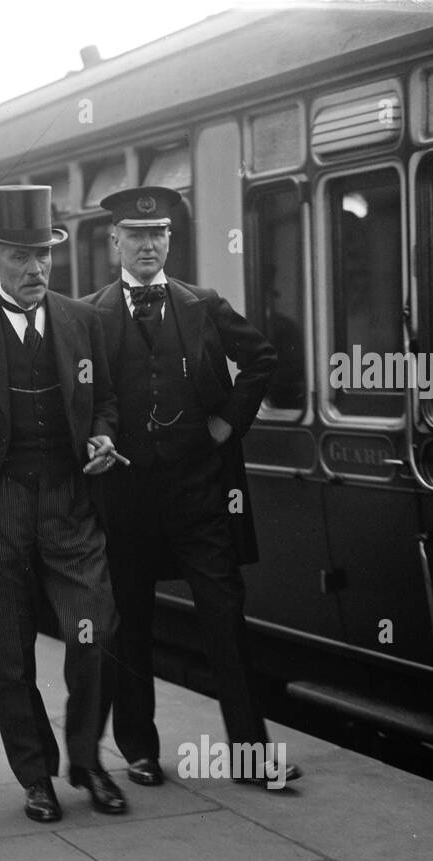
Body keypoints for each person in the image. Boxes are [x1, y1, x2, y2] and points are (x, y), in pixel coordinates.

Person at [85, 186, 302, 789]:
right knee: (129, 626)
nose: (148, 244)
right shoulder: (90, 315)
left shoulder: (203, 304)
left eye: (158, 236)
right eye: (136, 235)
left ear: (169, 242)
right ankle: (140, 752)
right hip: (126, 503)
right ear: (115, 242)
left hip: (200, 497)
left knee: (224, 618)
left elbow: (260, 358)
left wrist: (226, 423)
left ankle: (251, 754)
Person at [0, 185, 126, 823]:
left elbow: (105, 401)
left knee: (92, 631)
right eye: (19, 256)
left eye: (42, 254)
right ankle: (35, 775)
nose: (35, 268)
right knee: (7, 652)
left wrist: (104, 435)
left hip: (70, 500)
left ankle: (87, 760)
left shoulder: (83, 320)